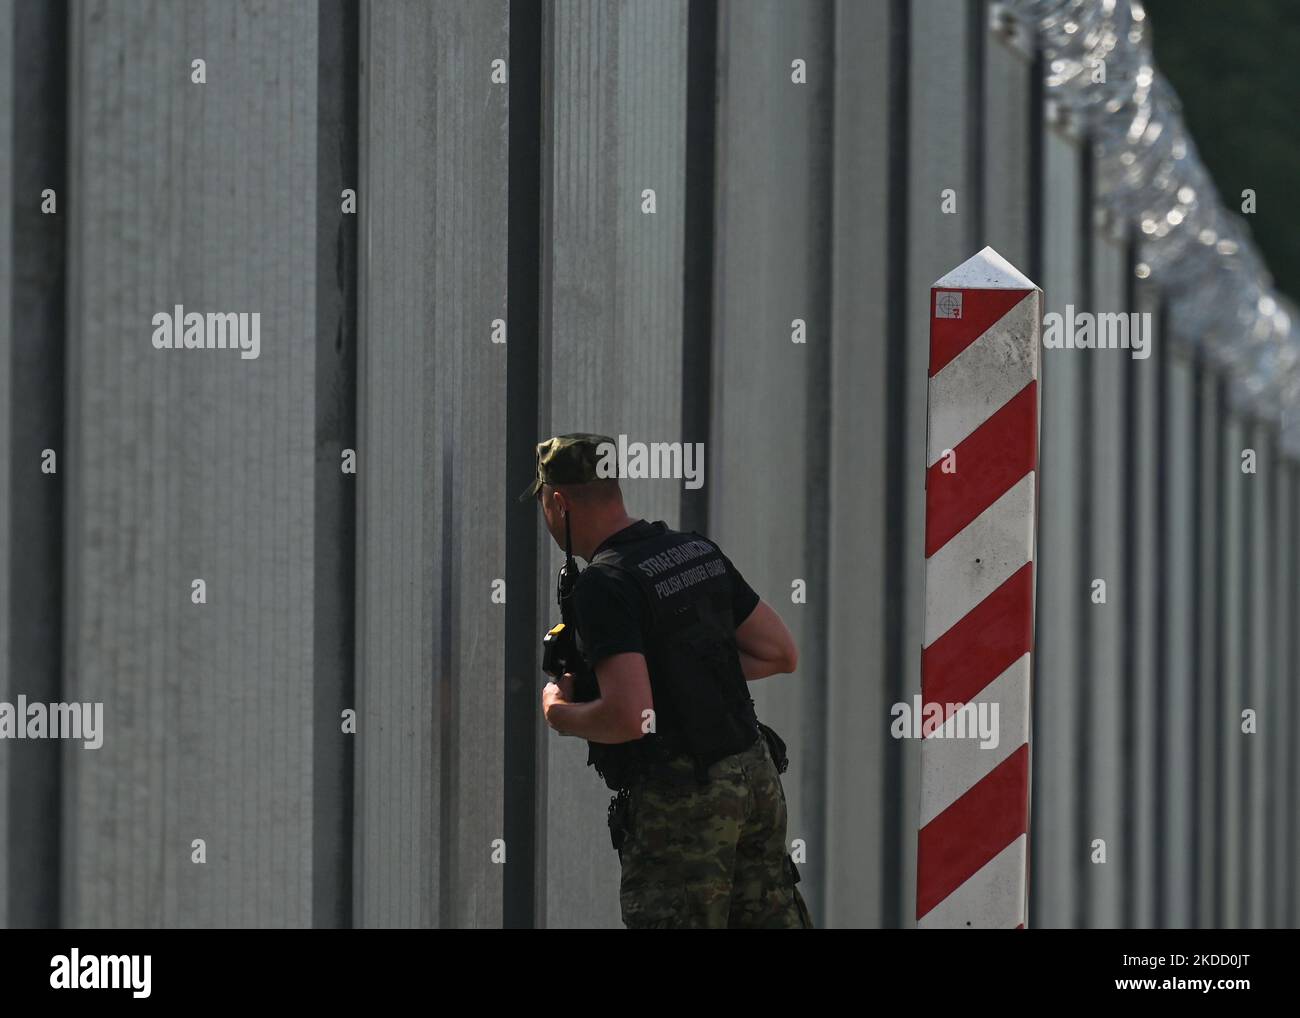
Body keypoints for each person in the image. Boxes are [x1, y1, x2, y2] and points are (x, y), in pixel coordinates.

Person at [520, 433, 813, 929]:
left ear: (560, 502)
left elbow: (630, 718)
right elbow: (779, 653)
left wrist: (559, 713)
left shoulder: (603, 585)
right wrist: (676, 673)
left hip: (684, 802)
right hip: (754, 777)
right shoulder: (693, 550)